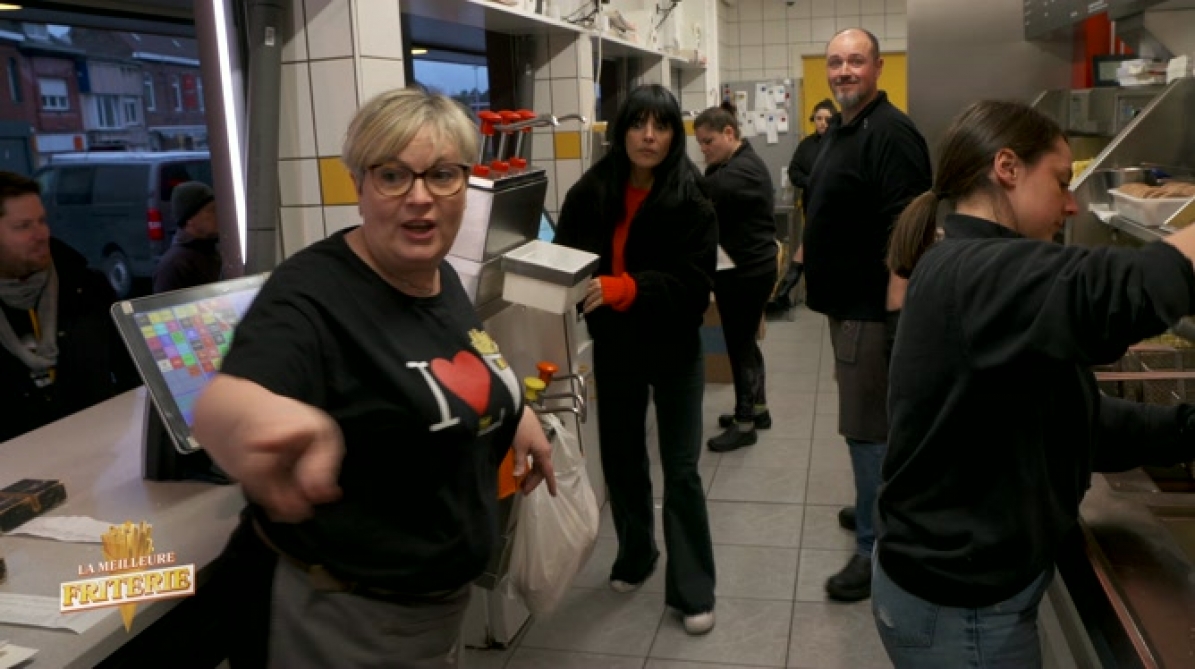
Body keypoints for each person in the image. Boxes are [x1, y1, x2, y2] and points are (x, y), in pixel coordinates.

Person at [191, 88, 557, 668]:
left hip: (431, 617)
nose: (420, 199)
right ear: (359, 185)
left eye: (442, 174)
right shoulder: (311, 292)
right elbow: (226, 401)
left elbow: (454, 362)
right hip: (343, 621)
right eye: (392, 175)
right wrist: (268, 420)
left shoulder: (439, 277)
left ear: (467, 183)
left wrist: (513, 411)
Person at [875, 99, 1195, 669]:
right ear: (1007, 167)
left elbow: (1070, 416)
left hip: (964, 600)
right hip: (959, 609)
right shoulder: (973, 270)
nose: (1072, 205)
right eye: (1062, 181)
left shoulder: (979, 265)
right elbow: (1113, 292)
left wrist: (1184, 431)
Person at [553, 84, 718, 635]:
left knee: (682, 470)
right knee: (622, 459)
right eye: (638, 124)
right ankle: (636, 554)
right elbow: (568, 260)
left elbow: (694, 287)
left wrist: (629, 289)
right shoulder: (591, 192)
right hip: (618, 348)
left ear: (674, 136)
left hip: (674, 348)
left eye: (662, 126)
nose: (649, 137)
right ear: (620, 130)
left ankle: (693, 587)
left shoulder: (692, 196)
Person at [801, 27, 932, 602]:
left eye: (856, 61)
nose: (844, 70)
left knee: (866, 429)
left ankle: (873, 548)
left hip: (872, 313)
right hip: (846, 308)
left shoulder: (892, 134)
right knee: (866, 422)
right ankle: (868, 507)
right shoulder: (846, 125)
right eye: (836, 62)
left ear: (878, 67)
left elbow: (911, 232)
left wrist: (897, 319)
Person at [0, 171, 136, 442]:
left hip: (98, 456)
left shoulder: (86, 287)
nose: (41, 235)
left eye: (42, 221)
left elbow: (132, 375)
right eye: (23, 226)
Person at [693, 102, 777, 452]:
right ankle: (758, 409)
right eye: (700, 144)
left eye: (708, 141)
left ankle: (745, 424)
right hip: (744, 268)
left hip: (746, 272)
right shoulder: (731, 164)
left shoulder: (744, 170)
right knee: (745, 343)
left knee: (739, 344)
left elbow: (704, 191)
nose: (704, 149)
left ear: (730, 133)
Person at [769, 98, 838, 313]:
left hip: (839, 205)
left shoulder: (841, 142)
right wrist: (809, 182)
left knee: (831, 248)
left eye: (827, 119)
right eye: (818, 118)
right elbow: (794, 171)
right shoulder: (806, 145)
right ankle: (788, 292)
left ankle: (785, 291)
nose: (822, 123)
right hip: (814, 204)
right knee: (811, 245)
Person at [153, 181, 222, 293]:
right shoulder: (174, 266)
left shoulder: (217, 250)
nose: (218, 214)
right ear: (189, 219)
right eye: (210, 210)